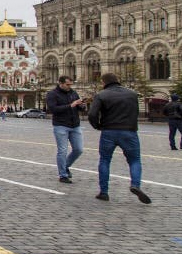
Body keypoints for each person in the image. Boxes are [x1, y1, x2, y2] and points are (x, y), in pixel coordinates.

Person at [87, 72, 151, 204]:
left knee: (105, 160)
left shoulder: (101, 95)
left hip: (109, 131)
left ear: (103, 82)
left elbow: (92, 114)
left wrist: (98, 126)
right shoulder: (132, 94)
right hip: (129, 131)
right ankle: (135, 185)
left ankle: (104, 192)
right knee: (134, 160)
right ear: (117, 80)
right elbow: (136, 111)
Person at [46, 76, 85, 183]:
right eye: (67, 84)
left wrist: (82, 105)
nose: (69, 86)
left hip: (75, 125)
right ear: (61, 83)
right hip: (61, 125)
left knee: (78, 149)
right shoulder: (52, 94)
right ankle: (63, 175)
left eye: (71, 84)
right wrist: (70, 106)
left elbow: (78, 107)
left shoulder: (73, 93)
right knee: (62, 150)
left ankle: (65, 166)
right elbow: (53, 109)